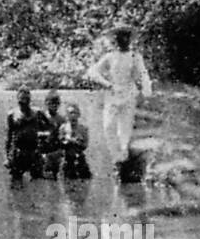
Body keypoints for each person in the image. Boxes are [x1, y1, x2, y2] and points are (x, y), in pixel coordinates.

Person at [87, 24, 153, 171]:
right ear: (115, 39)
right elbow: (93, 71)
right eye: (119, 37)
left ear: (129, 39)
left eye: (125, 36)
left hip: (129, 95)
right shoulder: (110, 57)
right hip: (112, 95)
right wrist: (106, 83)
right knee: (108, 126)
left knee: (125, 128)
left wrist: (147, 93)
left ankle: (123, 159)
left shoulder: (135, 57)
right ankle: (116, 157)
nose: (122, 40)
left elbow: (143, 75)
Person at [4, 90, 42, 179]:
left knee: (37, 181)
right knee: (16, 181)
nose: (24, 101)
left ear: (30, 100)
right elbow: (9, 136)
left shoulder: (37, 113)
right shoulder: (12, 114)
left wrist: (43, 149)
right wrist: (7, 157)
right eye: (21, 99)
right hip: (18, 151)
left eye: (26, 99)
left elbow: (49, 128)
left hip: (33, 151)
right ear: (17, 100)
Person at [36, 91, 66, 178]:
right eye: (51, 103)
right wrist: (46, 134)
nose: (54, 106)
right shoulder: (41, 116)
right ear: (46, 103)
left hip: (55, 149)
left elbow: (63, 136)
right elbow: (36, 133)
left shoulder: (61, 119)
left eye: (56, 104)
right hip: (42, 147)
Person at [58, 105, 92, 179]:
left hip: (79, 159)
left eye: (75, 113)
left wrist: (77, 142)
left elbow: (85, 145)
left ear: (78, 115)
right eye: (70, 113)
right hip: (67, 159)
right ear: (67, 115)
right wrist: (71, 141)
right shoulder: (63, 128)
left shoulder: (83, 129)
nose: (73, 115)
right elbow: (60, 143)